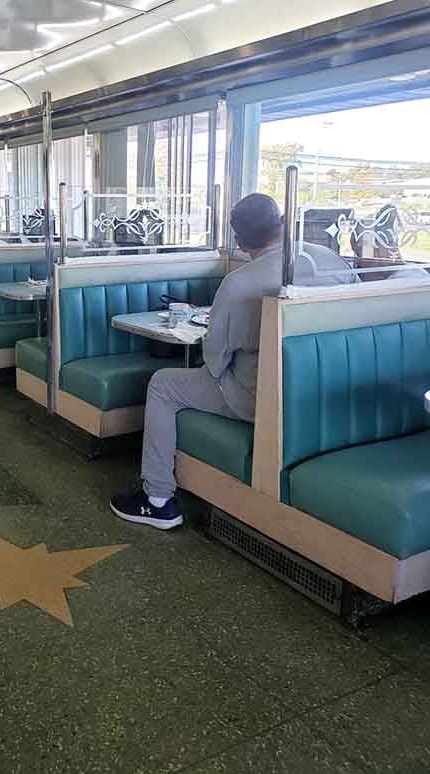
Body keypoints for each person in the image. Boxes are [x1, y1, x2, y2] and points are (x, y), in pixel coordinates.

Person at [110, 193, 357, 530]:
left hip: (260, 399)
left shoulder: (239, 283)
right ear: (282, 222)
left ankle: (157, 499)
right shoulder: (328, 259)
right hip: (334, 391)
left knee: (163, 384)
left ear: (238, 241)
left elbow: (214, 358)